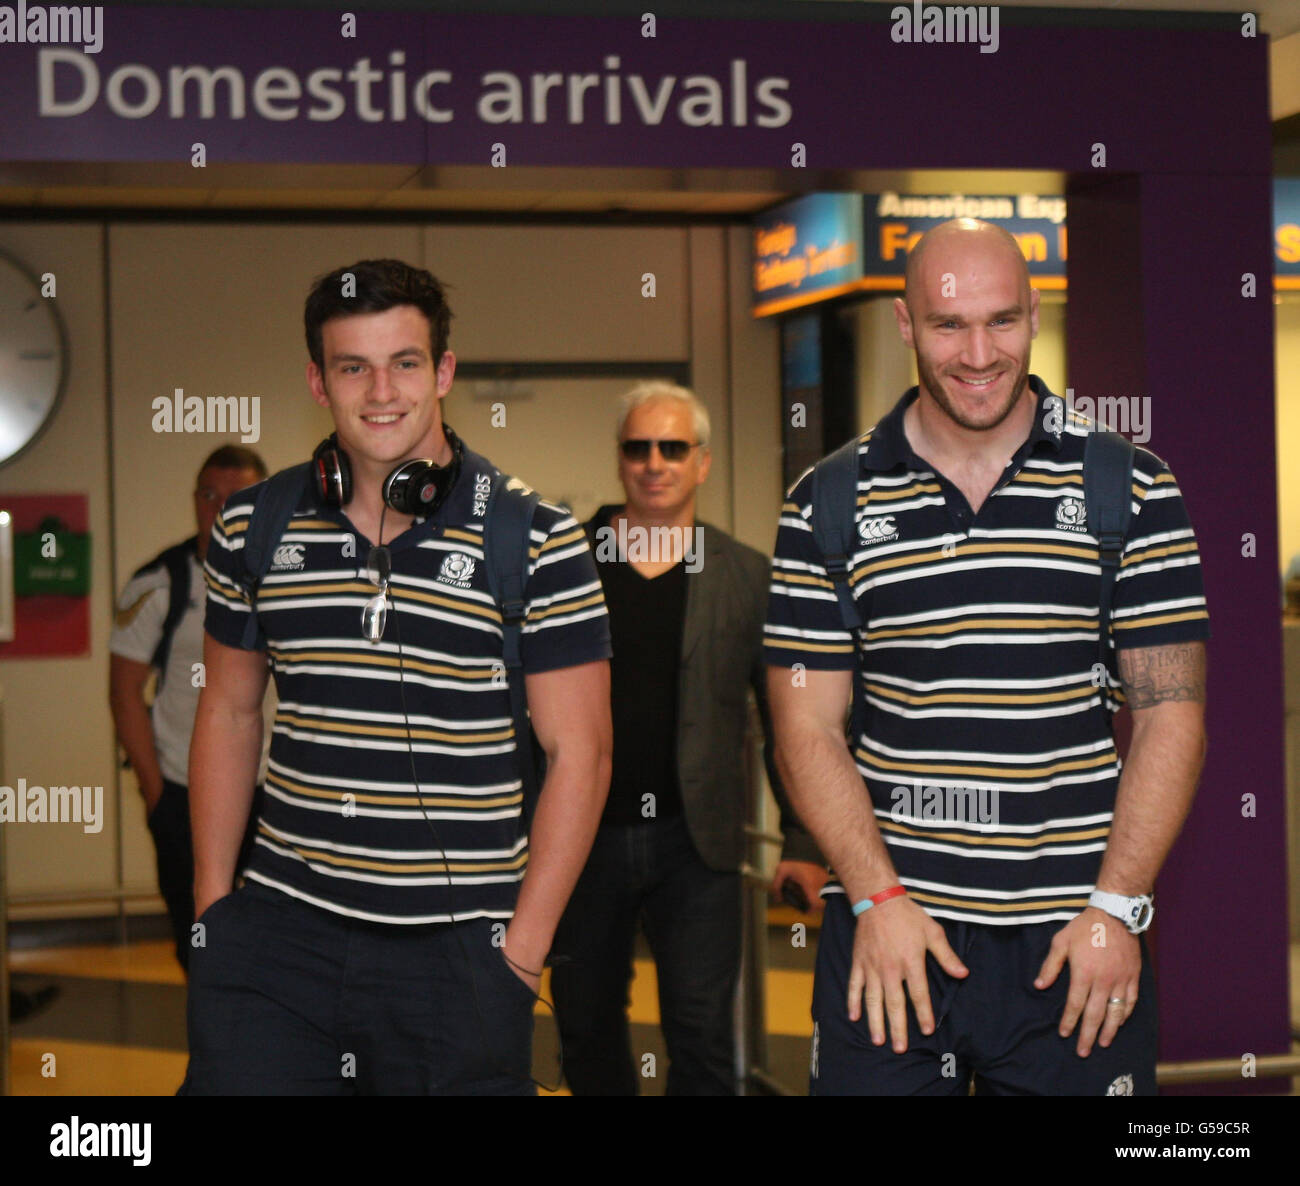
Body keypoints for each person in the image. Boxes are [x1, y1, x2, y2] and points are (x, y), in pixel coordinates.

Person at [764, 219, 1209, 1096]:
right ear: (904, 325)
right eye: (948, 325)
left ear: (1035, 314)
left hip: (1073, 942)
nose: (977, 354)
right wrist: (876, 898)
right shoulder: (828, 503)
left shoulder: (1132, 488)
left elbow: (1170, 712)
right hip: (890, 933)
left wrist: (1118, 906)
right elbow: (805, 725)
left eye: (1001, 322)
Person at [183, 259, 612, 1095]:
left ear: (444, 372)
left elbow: (582, 758)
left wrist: (520, 955)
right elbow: (230, 714)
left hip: (460, 956)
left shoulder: (535, 539)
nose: (382, 390)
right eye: (354, 367)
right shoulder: (252, 526)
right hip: (278, 942)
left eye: (405, 363)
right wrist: (212, 913)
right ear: (318, 381)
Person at [550, 382, 825, 1095]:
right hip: (581, 841)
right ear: (619, 460)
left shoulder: (745, 577)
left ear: (701, 462)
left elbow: (785, 725)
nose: (654, 463)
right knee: (584, 1025)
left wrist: (801, 844)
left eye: (673, 448)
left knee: (702, 1034)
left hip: (696, 847)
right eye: (638, 448)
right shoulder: (564, 570)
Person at [109, 444, 267, 971]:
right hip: (186, 791)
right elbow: (124, 692)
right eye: (208, 495)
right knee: (199, 938)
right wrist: (156, 796)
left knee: (280, 943)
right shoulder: (159, 583)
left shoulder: (296, 579)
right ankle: (216, 1046)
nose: (220, 508)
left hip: (280, 798)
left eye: (237, 497)